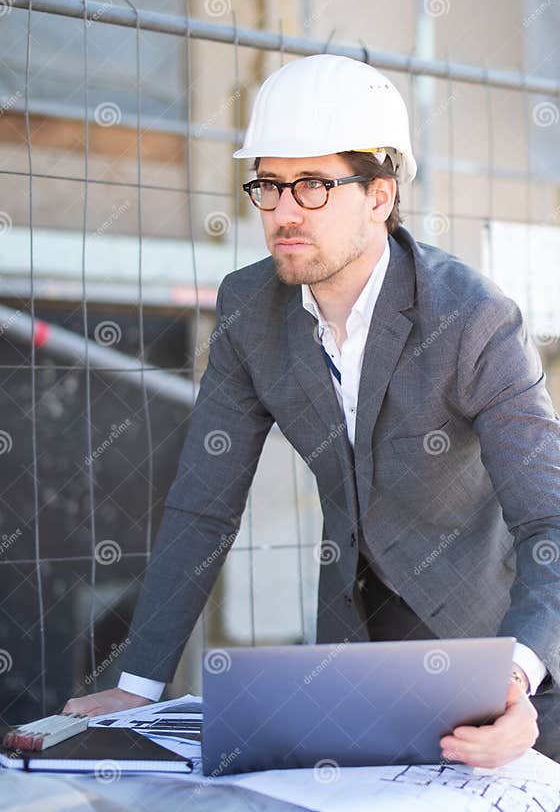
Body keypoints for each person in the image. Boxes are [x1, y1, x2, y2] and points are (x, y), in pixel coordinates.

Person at [65, 54, 560, 766]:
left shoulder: (474, 320)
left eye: (313, 185)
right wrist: (139, 686)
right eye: (268, 184)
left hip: (506, 652)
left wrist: (516, 674)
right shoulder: (248, 309)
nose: (284, 211)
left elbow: (549, 519)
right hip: (353, 652)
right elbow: (204, 505)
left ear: (380, 195)